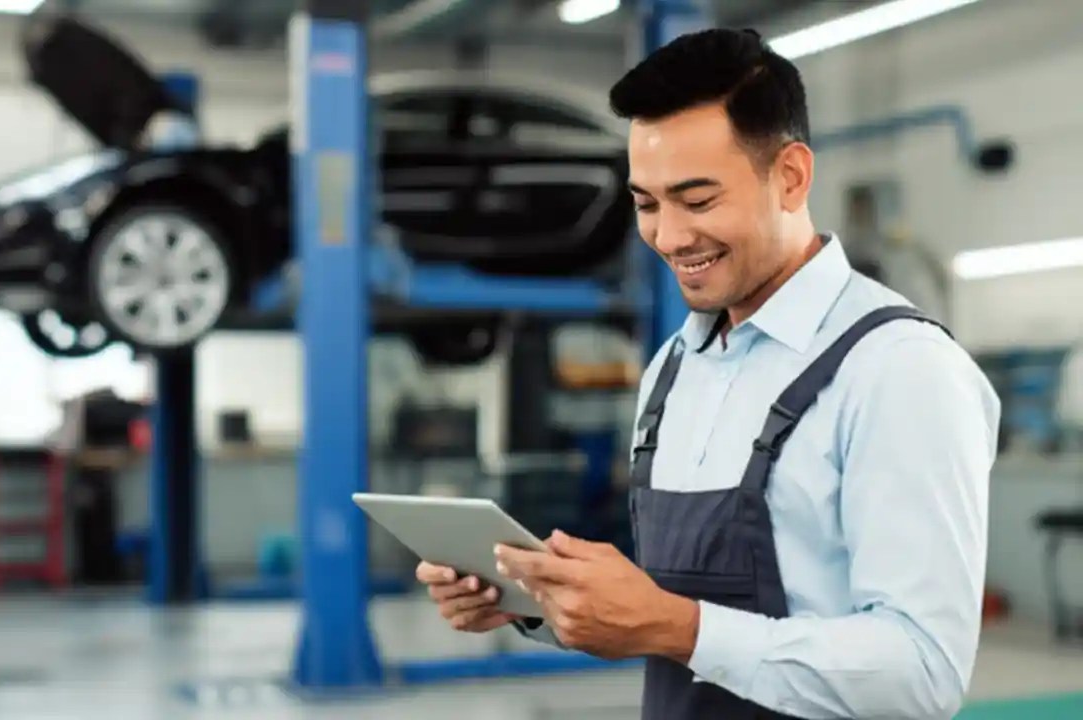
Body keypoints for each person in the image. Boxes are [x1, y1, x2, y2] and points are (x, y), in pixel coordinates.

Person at [415, 27, 999, 720]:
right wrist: (534, 603)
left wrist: (675, 626)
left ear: (790, 176)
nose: (668, 237)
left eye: (697, 201)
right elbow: (670, 610)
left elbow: (922, 672)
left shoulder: (898, 369)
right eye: (646, 204)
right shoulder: (674, 368)